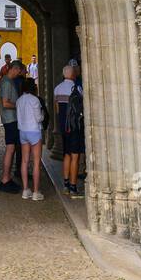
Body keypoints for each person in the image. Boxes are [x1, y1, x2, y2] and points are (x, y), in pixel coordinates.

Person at [54, 61, 84, 198]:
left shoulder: (57, 89)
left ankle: (65, 185)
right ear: (72, 74)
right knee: (75, 156)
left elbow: (57, 109)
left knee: (66, 154)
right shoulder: (77, 89)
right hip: (75, 127)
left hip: (63, 126)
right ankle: (73, 187)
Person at [0, 56, 23, 193]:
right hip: (10, 119)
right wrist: (19, 105)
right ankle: (5, 180)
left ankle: (7, 178)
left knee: (11, 149)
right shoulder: (7, 82)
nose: (20, 74)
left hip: (11, 119)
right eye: (19, 71)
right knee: (10, 149)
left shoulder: (7, 81)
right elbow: (6, 103)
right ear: (15, 69)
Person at [16, 77, 45, 201]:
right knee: (36, 162)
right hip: (34, 131)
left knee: (24, 161)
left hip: (23, 132)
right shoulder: (35, 100)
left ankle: (25, 190)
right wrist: (43, 115)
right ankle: (36, 192)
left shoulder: (19, 100)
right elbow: (39, 118)